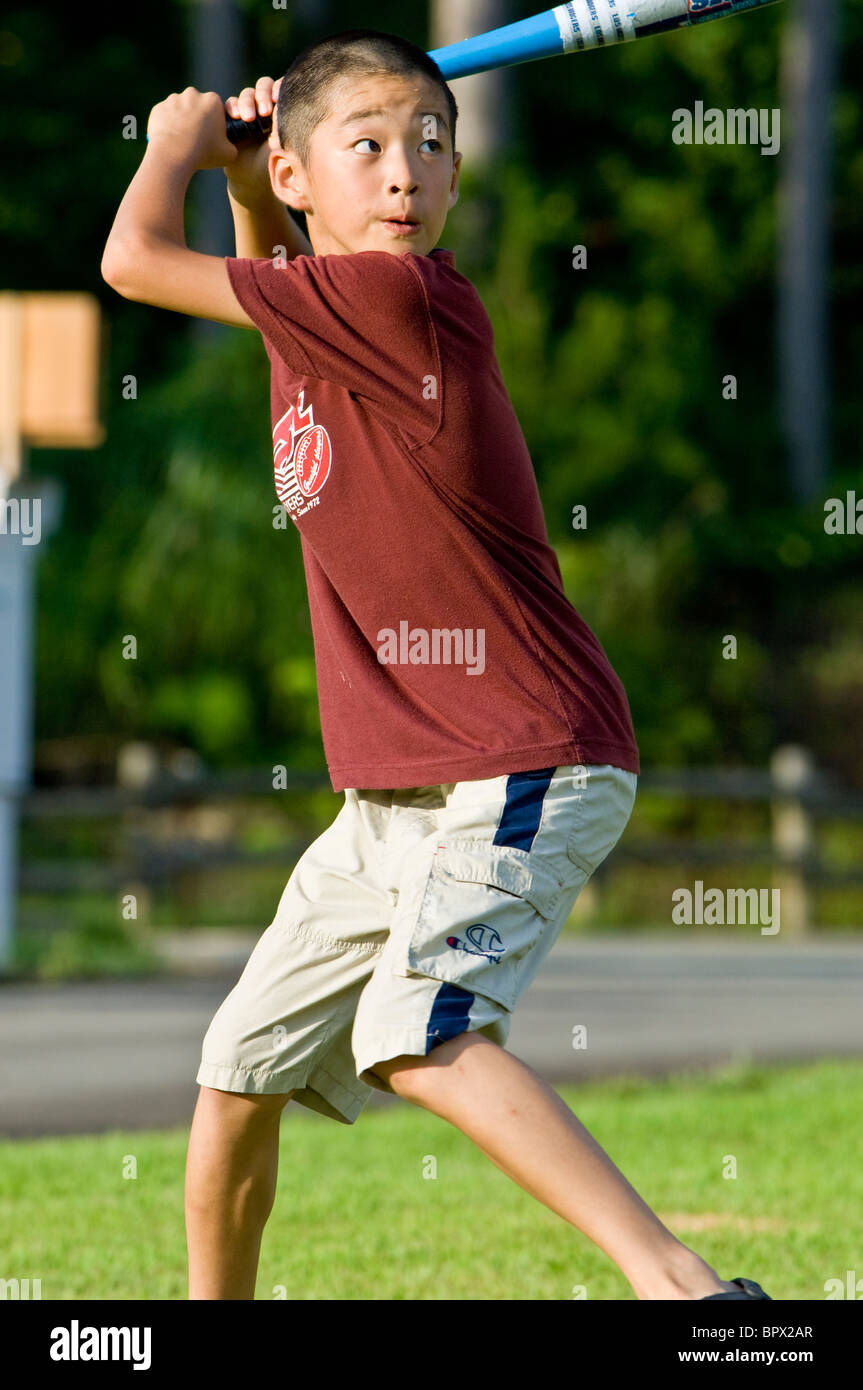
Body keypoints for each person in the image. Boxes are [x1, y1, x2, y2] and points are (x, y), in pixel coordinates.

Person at [101, 28, 771, 1305]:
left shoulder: (396, 299)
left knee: (419, 1034)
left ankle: (686, 1290)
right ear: (305, 178)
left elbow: (131, 262)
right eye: (368, 147)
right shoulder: (324, 325)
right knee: (239, 1065)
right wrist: (250, 180)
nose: (406, 173)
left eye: (430, 145)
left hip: (516, 749)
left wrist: (176, 145)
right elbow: (270, 275)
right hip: (397, 790)